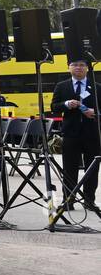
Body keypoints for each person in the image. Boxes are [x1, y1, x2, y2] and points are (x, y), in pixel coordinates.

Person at [51, 59, 100, 215]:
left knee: (92, 168)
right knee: (69, 167)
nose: (78, 68)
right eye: (75, 65)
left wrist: (96, 113)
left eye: (82, 65)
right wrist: (66, 104)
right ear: (69, 68)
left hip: (92, 133)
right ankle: (68, 199)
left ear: (87, 68)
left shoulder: (97, 87)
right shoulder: (62, 86)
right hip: (71, 133)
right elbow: (54, 108)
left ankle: (89, 200)